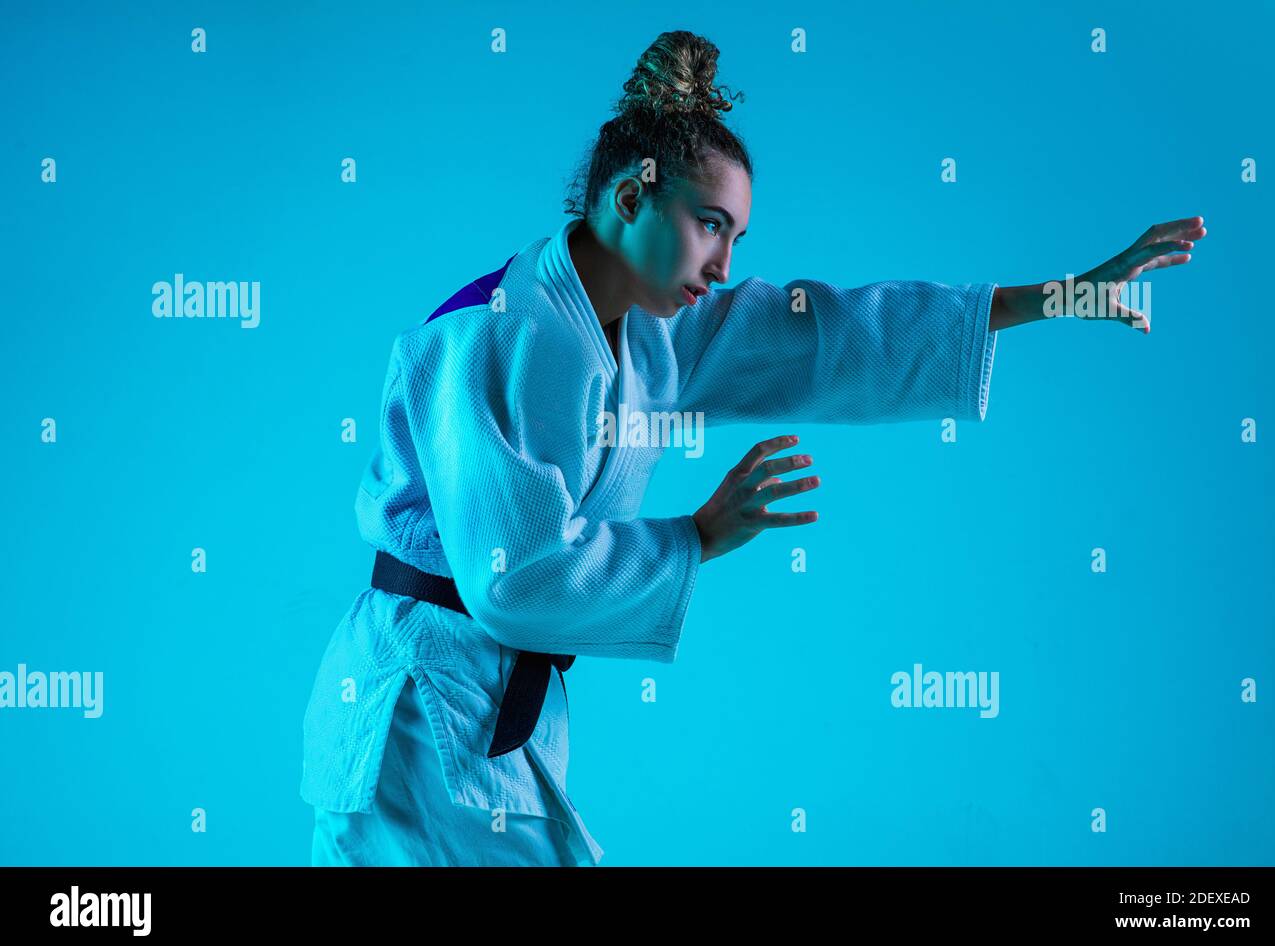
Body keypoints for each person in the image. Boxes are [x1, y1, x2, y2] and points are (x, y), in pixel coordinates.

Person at [300, 30, 1205, 867]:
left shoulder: (652, 330)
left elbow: (829, 336)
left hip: (486, 707)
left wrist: (1049, 298)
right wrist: (694, 535)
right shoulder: (499, 335)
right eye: (710, 225)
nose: (725, 264)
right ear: (628, 199)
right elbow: (513, 575)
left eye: (736, 235)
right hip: (424, 705)